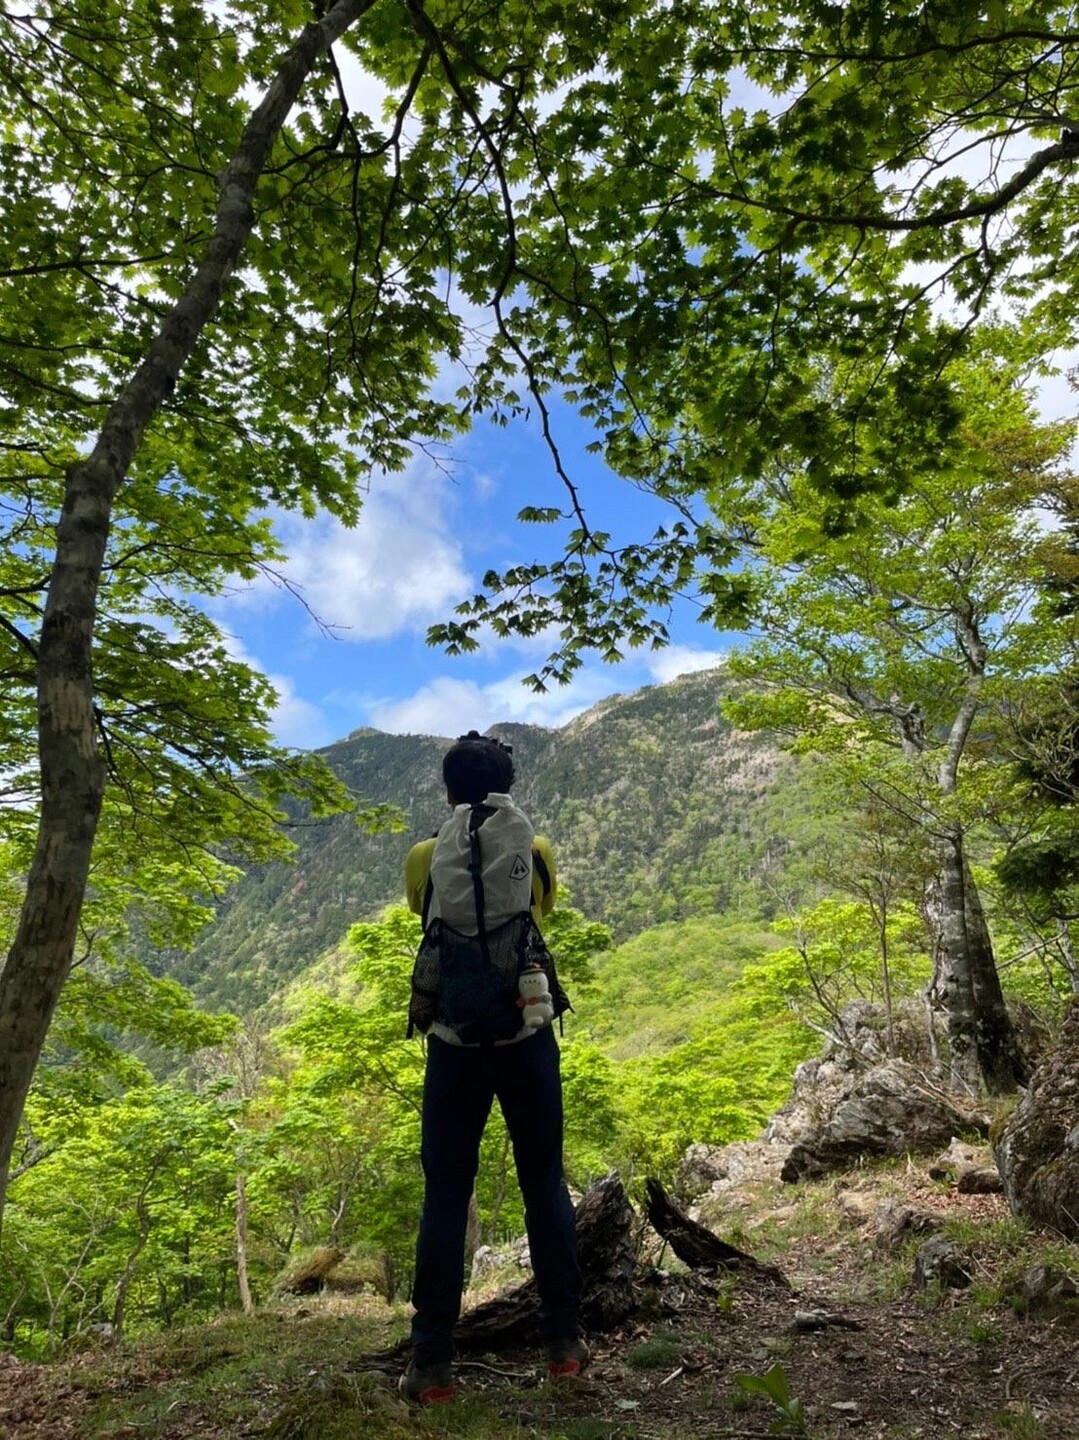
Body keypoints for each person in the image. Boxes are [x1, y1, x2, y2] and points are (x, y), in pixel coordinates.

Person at [400, 731, 588, 1405]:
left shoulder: (425, 855)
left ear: (447, 792)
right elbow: (544, 907)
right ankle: (563, 1346)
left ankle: (431, 1365)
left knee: (445, 1196)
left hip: (453, 1046)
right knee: (543, 1184)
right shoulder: (533, 850)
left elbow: (419, 909)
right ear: (507, 790)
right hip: (527, 1037)